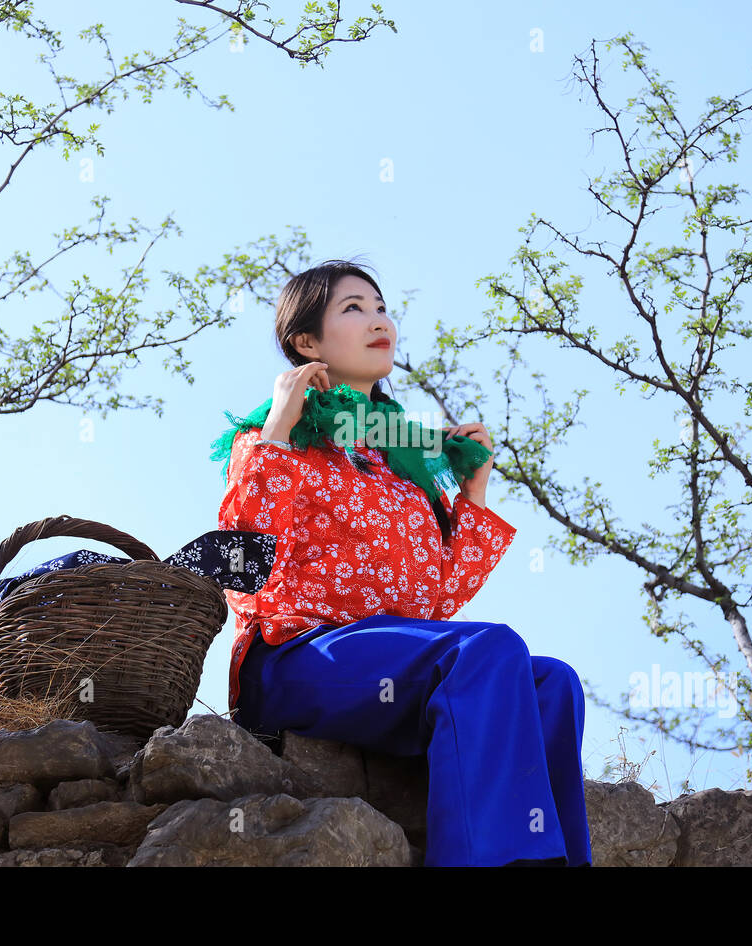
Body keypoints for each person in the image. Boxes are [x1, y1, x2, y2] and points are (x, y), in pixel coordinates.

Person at [210, 258, 592, 867]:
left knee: (551, 685)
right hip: (295, 656)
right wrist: (280, 425)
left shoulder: (404, 464)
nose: (378, 319)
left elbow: (438, 600)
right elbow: (241, 556)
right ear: (306, 342)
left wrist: (474, 490)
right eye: (353, 308)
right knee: (490, 649)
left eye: (381, 306)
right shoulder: (275, 439)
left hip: (390, 658)